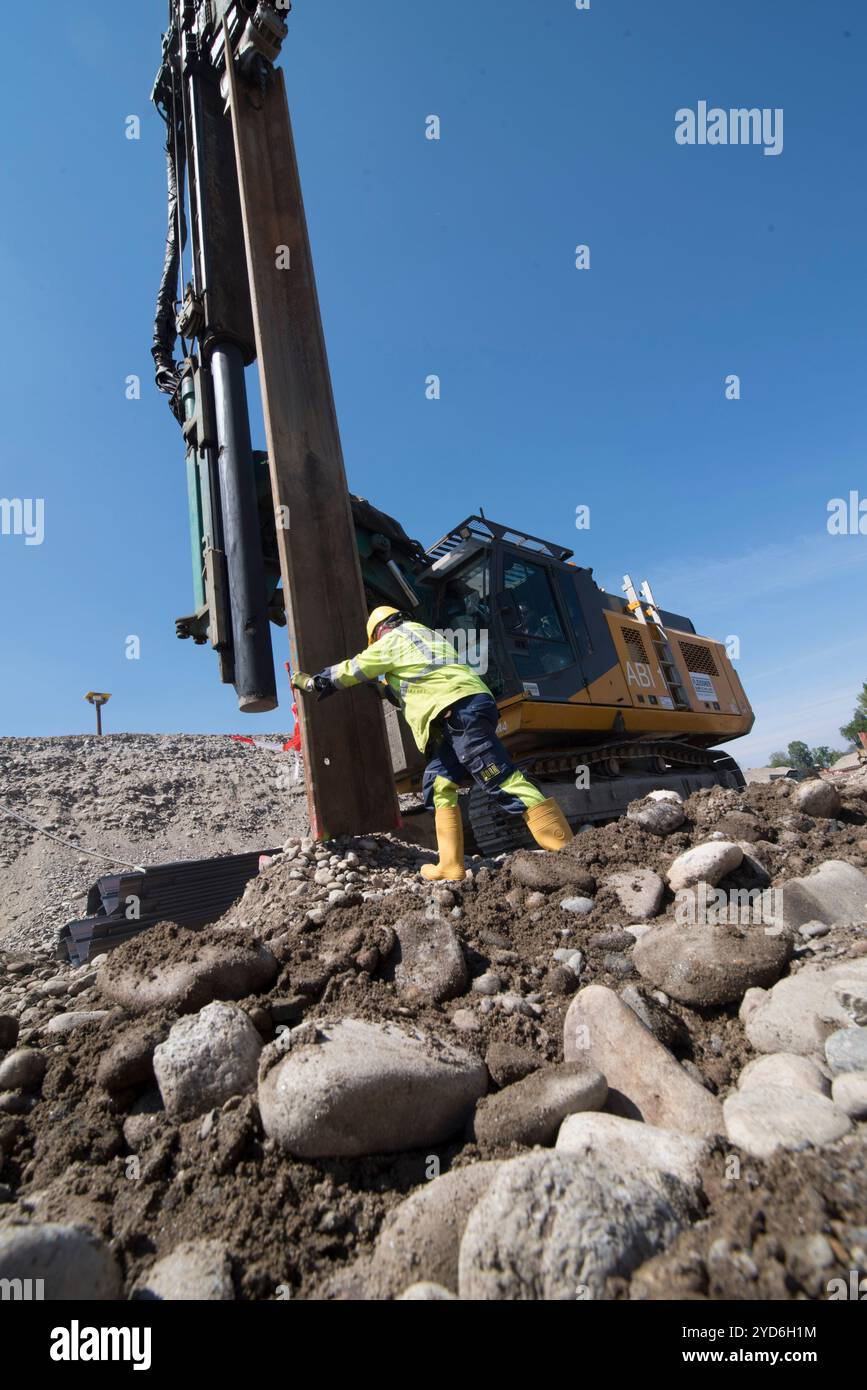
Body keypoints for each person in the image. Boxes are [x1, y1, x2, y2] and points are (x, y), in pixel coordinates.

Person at [292, 606, 573, 880]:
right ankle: (450, 866)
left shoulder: (391, 640)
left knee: (499, 777)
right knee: (439, 783)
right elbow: (423, 676)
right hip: (464, 709)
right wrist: (387, 689)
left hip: (457, 710)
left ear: (379, 631)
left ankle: (567, 851)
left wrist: (316, 683)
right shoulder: (427, 635)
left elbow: (354, 668)